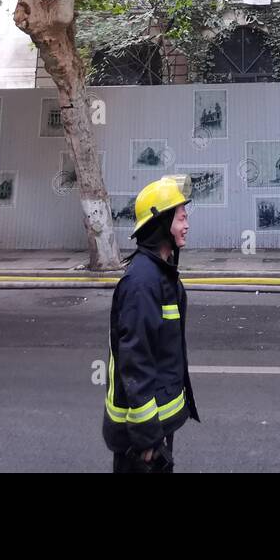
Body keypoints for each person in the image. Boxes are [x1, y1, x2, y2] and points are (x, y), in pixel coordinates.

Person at [103, 174, 199, 473]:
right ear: (161, 223)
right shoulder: (143, 282)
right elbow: (136, 359)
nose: (187, 225)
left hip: (156, 424)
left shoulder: (160, 273)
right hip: (142, 435)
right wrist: (147, 436)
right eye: (181, 218)